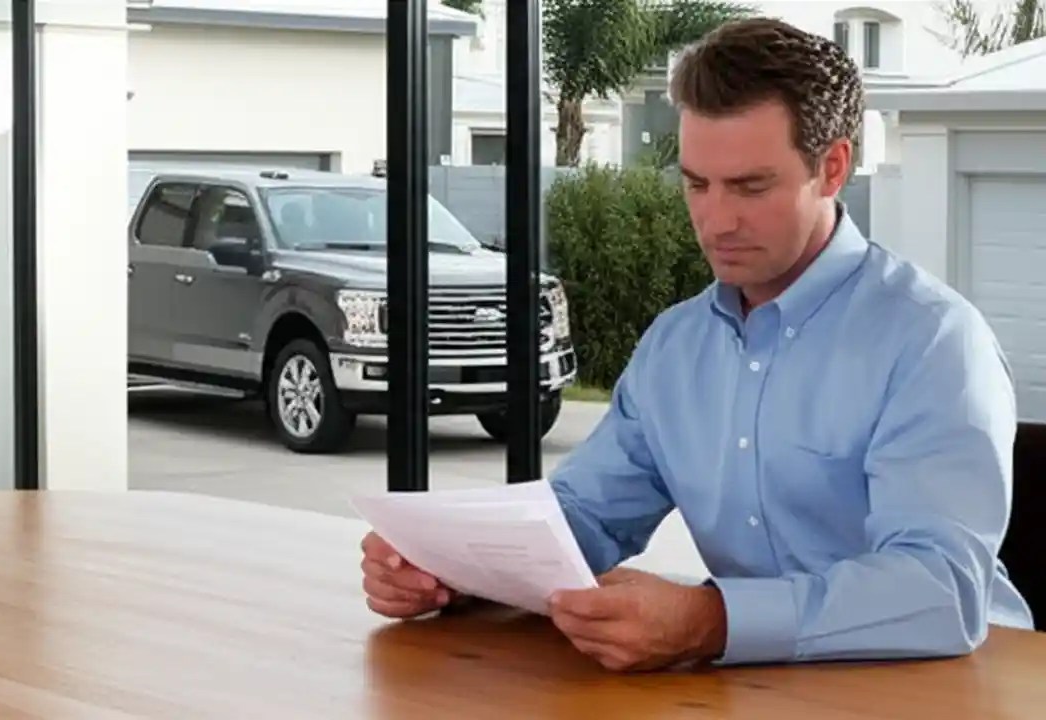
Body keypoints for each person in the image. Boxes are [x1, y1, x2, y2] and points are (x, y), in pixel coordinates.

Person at [359, 16, 1035, 672]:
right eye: (695, 183)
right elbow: (583, 517)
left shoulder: (933, 342)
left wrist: (712, 622)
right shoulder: (676, 347)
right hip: (754, 685)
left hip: (955, 684)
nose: (716, 220)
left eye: (750, 186)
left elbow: (940, 590)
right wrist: (450, 569)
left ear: (832, 169)